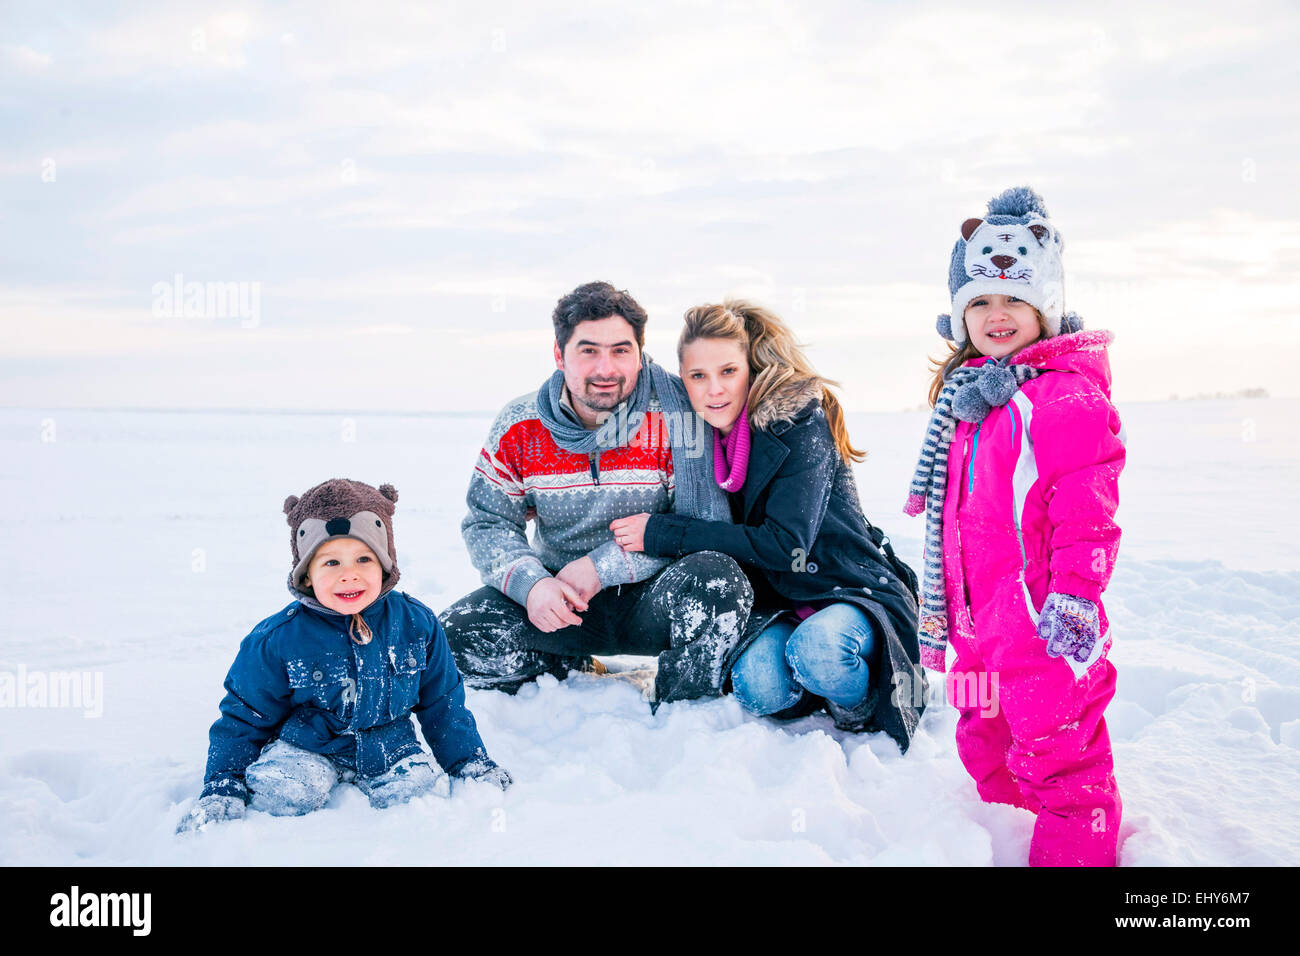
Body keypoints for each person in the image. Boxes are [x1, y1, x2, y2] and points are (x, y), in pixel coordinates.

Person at [903, 186, 1126, 866]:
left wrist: (1074, 597)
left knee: (1059, 748)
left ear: (1044, 309)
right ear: (959, 315)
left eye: (1013, 301)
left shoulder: (1060, 396)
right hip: (974, 624)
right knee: (982, 736)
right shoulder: (971, 398)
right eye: (980, 302)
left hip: (1039, 624)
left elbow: (1086, 509)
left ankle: (1074, 849)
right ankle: (1001, 836)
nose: (996, 315)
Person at [610, 301, 926, 752]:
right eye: (697, 376)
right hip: (777, 602)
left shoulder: (797, 424)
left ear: (751, 369)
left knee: (820, 652)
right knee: (757, 686)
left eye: (728, 371)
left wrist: (663, 531)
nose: (714, 389)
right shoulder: (707, 440)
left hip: (844, 587)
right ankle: (809, 687)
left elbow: (783, 545)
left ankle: (856, 705)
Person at [439, 281, 751, 706]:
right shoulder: (520, 424)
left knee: (718, 580)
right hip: (559, 597)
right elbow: (488, 521)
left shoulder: (678, 413)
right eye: (589, 350)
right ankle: (572, 670)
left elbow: (704, 528)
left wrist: (602, 567)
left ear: (640, 354)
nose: (606, 368)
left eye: (621, 350)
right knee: (451, 639)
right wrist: (532, 587)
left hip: (653, 597)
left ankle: (683, 706)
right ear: (559, 354)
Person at [177, 478, 509, 833]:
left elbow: (442, 703)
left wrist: (469, 763)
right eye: (331, 562)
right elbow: (245, 714)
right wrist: (222, 784)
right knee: (283, 795)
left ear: (385, 565)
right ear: (307, 575)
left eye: (364, 559)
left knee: (420, 796)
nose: (349, 574)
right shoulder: (280, 638)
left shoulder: (416, 623)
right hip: (307, 746)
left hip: (389, 748)